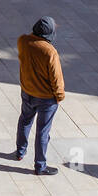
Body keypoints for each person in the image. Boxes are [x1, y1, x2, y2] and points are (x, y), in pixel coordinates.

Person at [14, 16, 65, 175]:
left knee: (25, 120)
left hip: (27, 91)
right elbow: (56, 78)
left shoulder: (23, 41)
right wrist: (59, 96)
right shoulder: (50, 52)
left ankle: (20, 152)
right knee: (42, 131)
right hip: (46, 99)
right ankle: (40, 165)